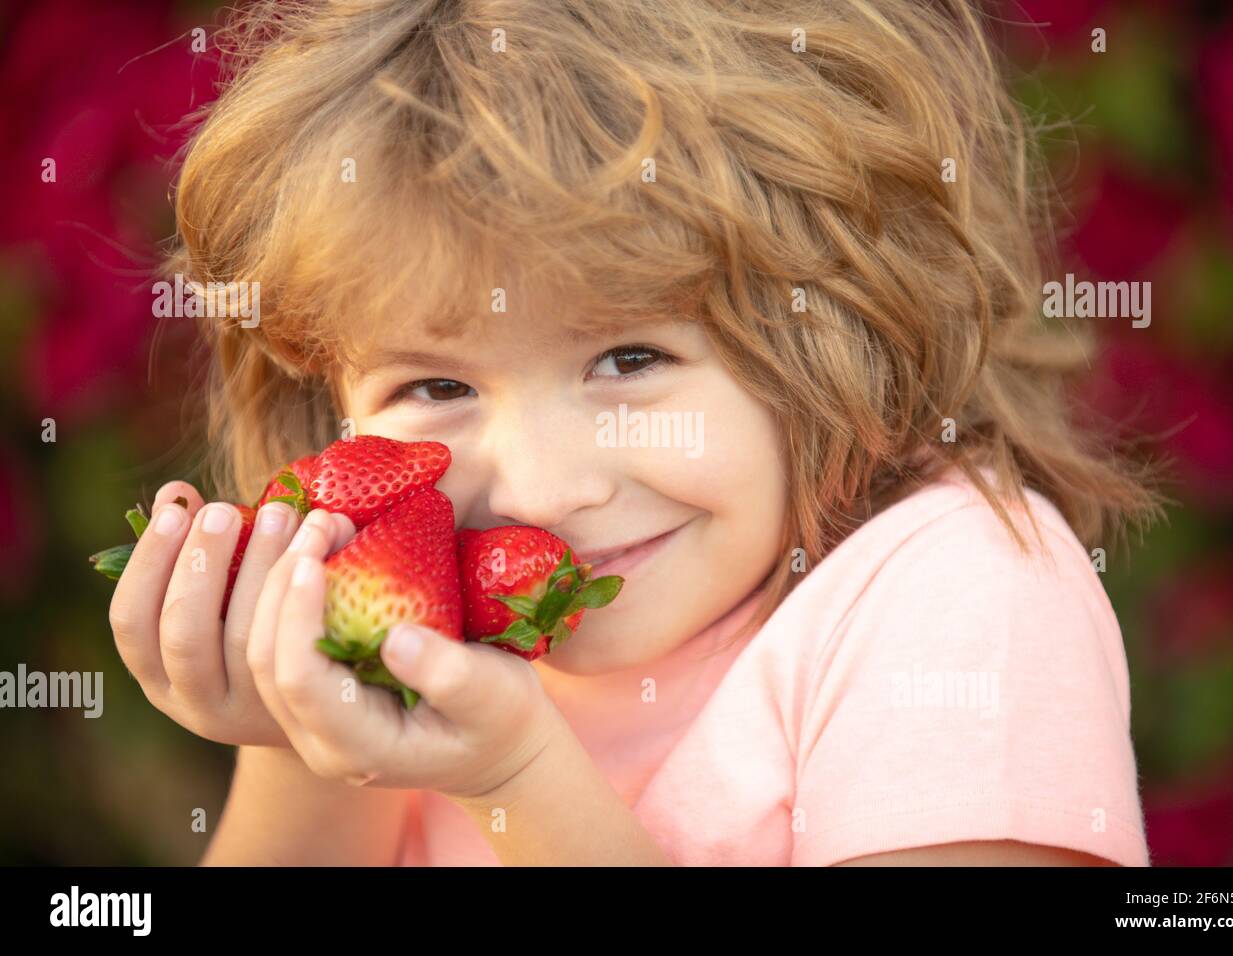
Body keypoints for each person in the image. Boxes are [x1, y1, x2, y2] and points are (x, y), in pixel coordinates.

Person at [108, 0, 1163, 866]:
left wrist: (516, 782)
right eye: (435, 381)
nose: (541, 489)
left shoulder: (950, 594)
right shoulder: (426, 621)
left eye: (628, 360)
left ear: (835, 322)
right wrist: (310, 731)